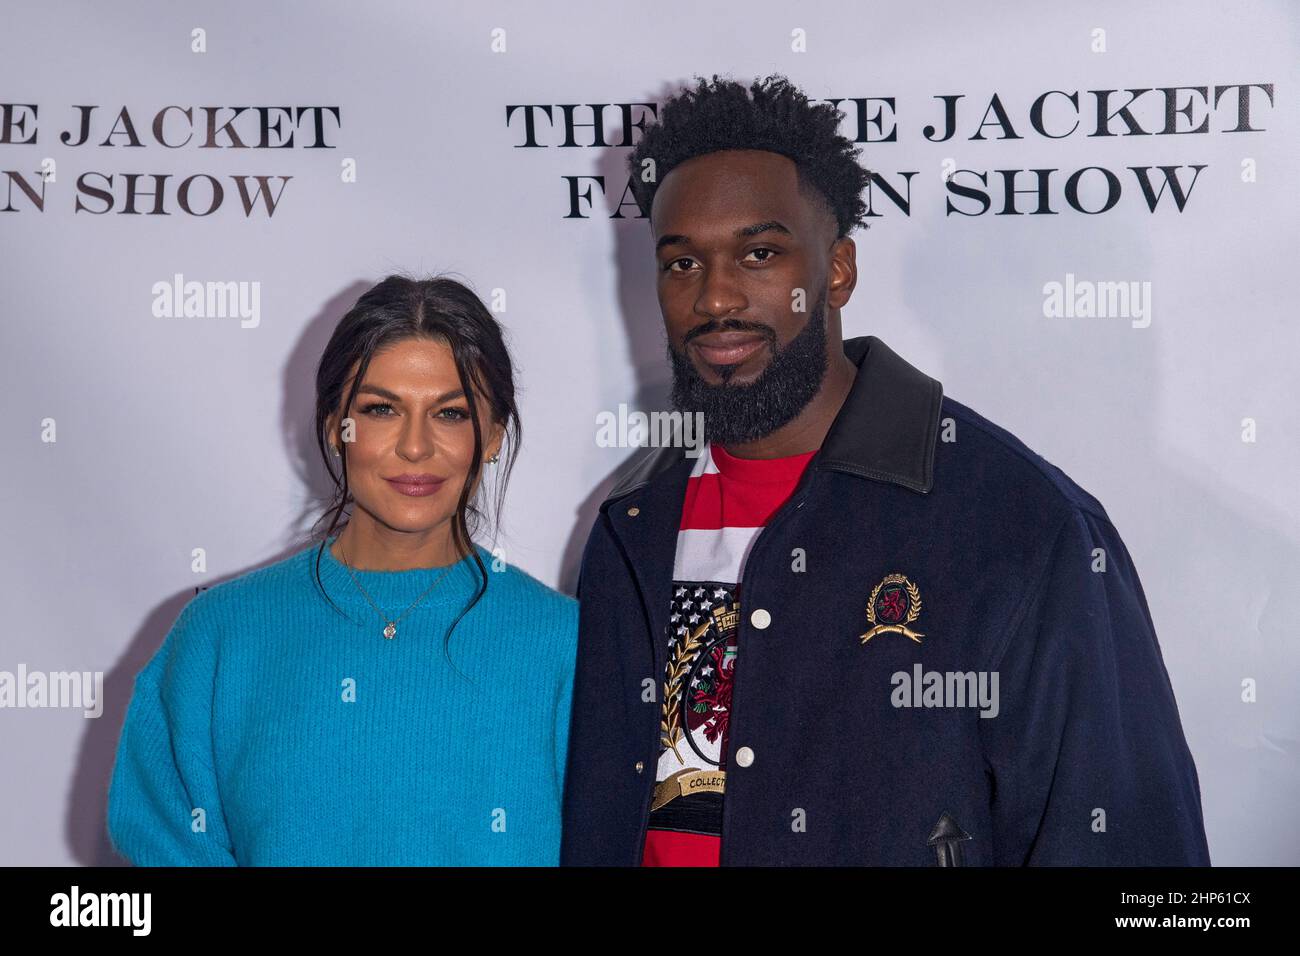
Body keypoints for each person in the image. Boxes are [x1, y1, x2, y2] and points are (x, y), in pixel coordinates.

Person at [560, 75, 1211, 866]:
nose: (716, 296)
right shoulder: (630, 528)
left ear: (837, 272)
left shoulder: (1018, 523)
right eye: (682, 263)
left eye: (759, 254)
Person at [108, 275, 578, 865]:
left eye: (451, 413)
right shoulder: (220, 636)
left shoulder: (568, 647)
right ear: (336, 426)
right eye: (381, 409)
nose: (414, 446)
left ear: (492, 436)